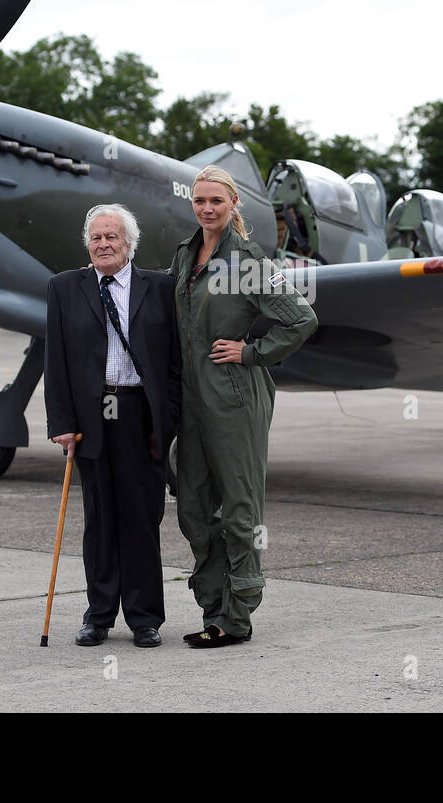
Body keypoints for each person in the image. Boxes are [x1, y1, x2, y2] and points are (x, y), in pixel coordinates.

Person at [171, 166, 318, 648]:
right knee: (192, 507)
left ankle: (236, 616)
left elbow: (300, 319)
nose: (207, 209)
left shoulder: (250, 261)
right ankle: (213, 605)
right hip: (193, 398)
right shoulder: (186, 255)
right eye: (199, 201)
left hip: (234, 396)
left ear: (234, 204)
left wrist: (250, 352)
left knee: (238, 510)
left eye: (216, 200)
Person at [45, 204, 180, 648]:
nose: (103, 244)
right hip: (92, 416)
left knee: (142, 518)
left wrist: (172, 415)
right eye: (96, 237)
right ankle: (99, 615)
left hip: (142, 414)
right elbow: (56, 361)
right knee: (99, 521)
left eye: (112, 237)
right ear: (88, 243)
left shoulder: (160, 286)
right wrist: (61, 422)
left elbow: (175, 361)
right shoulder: (64, 288)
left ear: (129, 245)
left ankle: (145, 618)